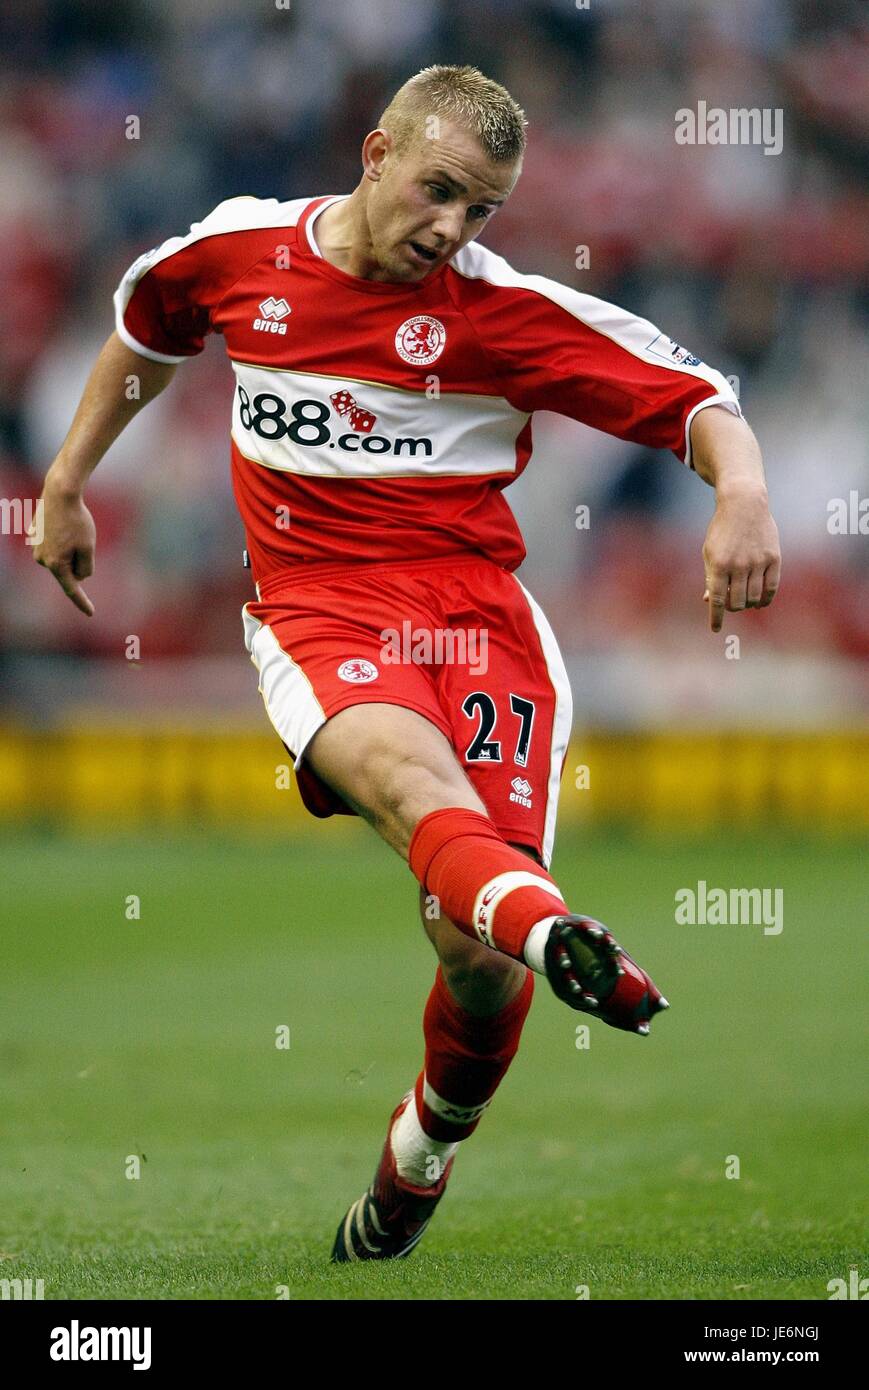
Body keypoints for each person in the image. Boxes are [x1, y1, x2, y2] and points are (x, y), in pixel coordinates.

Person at [33, 64, 781, 1262]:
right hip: (315, 611)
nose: (452, 227)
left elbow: (694, 395)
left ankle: (423, 1149)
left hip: (479, 625)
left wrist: (739, 493)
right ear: (375, 153)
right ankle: (566, 942)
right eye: (438, 190)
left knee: (473, 957)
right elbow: (144, 329)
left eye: (481, 209)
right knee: (413, 789)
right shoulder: (240, 254)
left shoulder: (502, 312)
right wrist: (69, 479)